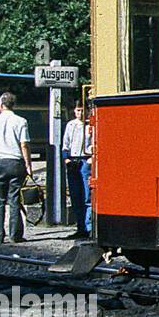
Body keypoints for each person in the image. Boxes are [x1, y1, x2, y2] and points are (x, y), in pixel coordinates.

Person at [0, 92, 34, 245]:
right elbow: (24, 144)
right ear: (13, 105)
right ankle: (15, 235)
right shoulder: (21, 121)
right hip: (15, 162)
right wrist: (28, 164)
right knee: (14, 200)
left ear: (1, 105)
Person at [62, 100, 92, 237]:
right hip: (73, 160)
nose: (80, 113)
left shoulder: (91, 125)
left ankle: (88, 227)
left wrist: (91, 157)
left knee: (87, 195)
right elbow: (66, 144)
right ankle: (80, 227)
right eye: (78, 110)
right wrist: (66, 159)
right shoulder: (70, 125)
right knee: (75, 194)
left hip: (86, 160)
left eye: (82, 110)